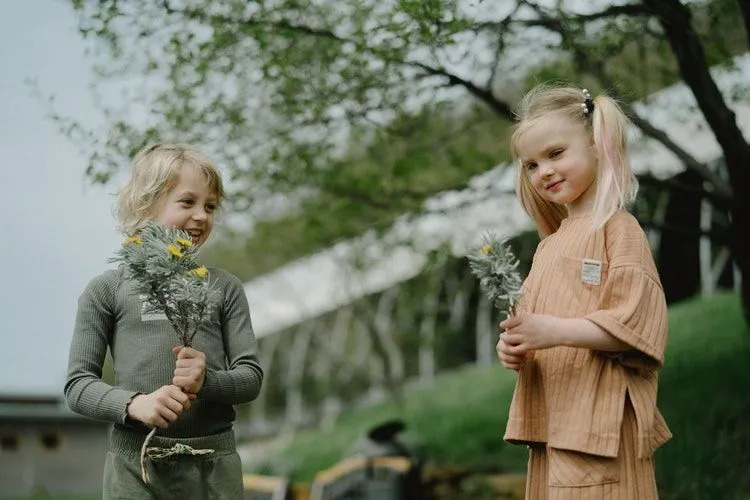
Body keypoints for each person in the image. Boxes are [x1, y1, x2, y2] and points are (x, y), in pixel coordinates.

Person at [496, 85, 671, 499]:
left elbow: (637, 330)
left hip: (600, 427)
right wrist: (516, 347)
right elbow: (539, 329)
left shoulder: (616, 229)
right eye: (532, 165)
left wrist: (554, 331)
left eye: (556, 154)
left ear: (596, 145)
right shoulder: (549, 245)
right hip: (557, 425)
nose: (544, 172)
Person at [65, 143, 263, 499]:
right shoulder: (106, 290)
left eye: (210, 206)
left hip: (213, 467)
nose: (201, 216)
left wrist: (208, 380)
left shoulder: (224, 288)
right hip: (135, 469)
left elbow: (250, 378)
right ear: (146, 203)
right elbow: (78, 385)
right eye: (187, 202)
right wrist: (133, 405)